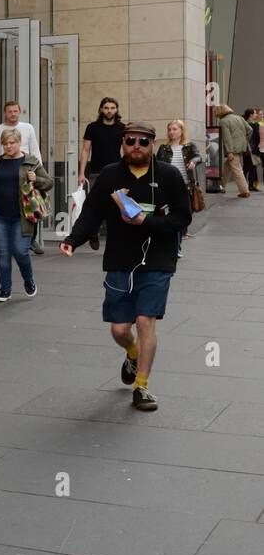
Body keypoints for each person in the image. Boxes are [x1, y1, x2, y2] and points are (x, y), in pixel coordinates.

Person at [61, 120, 192, 413]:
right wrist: (73, 239)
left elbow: (184, 217)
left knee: (145, 321)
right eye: (131, 141)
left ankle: (142, 386)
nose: (136, 146)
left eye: (143, 142)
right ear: (123, 143)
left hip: (158, 258)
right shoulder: (110, 175)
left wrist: (149, 222)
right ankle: (131, 352)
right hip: (120, 258)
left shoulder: (168, 175)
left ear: (152, 145)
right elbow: (92, 212)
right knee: (120, 330)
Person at [0, 128, 52, 302]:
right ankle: (5, 290)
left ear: (19, 143)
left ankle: (28, 280)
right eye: (5, 143)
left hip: (22, 215)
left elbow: (48, 183)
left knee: (20, 251)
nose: (8, 146)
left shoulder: (31, 162)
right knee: (2, 254)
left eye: (12, 143)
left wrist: (36, 179)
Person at [0, 101, 44, 254]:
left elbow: (35, 150)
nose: (12, 114)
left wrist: (37, 171)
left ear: (20, 112)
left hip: (25, 169)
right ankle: (11, 240)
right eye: (9, 111)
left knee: (30, 204)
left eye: (15, 111)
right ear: (5, 113)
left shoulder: (28, 128)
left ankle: (31, 239)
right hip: (4, 168)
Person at [79, 97, 125, 249]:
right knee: (96, 204)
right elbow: (85, 150)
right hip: (96, 172)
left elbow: (125, 151)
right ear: (101, 110)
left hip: (117, 172)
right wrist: (81, 173)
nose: (109, 110)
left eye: (112, 108)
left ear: (116, 110)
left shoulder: (122, 128)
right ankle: (93, 232)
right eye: (106, 108)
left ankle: (116, 237)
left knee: (117, 205)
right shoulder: (92, 127)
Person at [155, 120, 201, 257]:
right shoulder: (163, 147)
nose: (171, 132)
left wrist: (194, 161)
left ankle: (177, 246)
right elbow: (157, 164)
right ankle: (170, 245)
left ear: (181, 130)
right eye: (169, 129)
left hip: (186, 187)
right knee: (167, 218)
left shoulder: (189, 146)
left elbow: (198, 156)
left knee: (182, 218)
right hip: (167, 186)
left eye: (174, 129)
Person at [214, 104, 251, 198]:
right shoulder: (239, 118)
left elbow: (227, 138)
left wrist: (229, 151)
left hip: (232, 149)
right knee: (227, 168)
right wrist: (244, 141)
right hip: (240, 147)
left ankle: (244, 191)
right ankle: (221, 186)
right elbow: (250, 130)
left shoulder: (223, 121)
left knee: (237, 169)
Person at [248, 109, 263, 191]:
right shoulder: (255, 125)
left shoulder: (250, 124)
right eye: (256, 114)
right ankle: (251, 185)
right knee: (251, 167)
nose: (260, 115)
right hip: (254, 148)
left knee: (250, 167)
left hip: (251, 148)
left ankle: (251, 184)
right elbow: (257, 136)